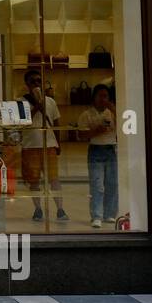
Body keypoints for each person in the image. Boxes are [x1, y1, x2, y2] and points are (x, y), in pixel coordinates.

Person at [21, 69, 68, 222]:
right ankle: (38, 209)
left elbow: (56, 123)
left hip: (49, 145)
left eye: (38, 81)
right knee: (34, 180)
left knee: (54, 178)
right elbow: (22, 122)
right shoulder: (21, 102)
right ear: (27, 84)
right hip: (30, 146)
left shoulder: (51, 102)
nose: (36, 84)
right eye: (32, 81)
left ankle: (60, 209)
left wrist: (58, 143)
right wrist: (37, 106)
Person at [79, 84, 118, 228]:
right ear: (94, 97)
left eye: (105, 96)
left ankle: (110, 214)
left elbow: (125, 126)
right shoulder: (86, 114)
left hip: (111, 149)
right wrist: (96, 131)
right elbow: (81, 135)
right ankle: (96, 215)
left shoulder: (112, 112)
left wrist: (114, 109)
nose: (103, 99)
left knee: (112, 184)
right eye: (100, 96)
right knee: (97, 185)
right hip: (95, 149)